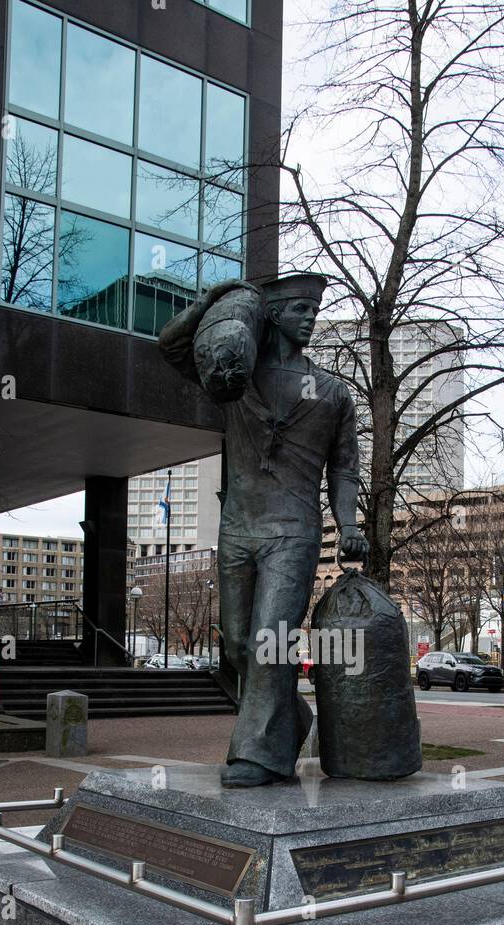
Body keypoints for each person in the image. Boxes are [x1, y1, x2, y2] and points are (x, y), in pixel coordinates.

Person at [158, 272, 369, 787]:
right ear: (272, 314)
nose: (310, 318)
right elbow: (171, 345)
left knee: (267, 642)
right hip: (237, 529)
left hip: (293, 531)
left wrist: (348, 525)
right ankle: (291, 720)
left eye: (314, 310)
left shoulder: (333, 393)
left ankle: (256, 754)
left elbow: (343, 467)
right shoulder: (236, 376)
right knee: (234, 646)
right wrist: (212, 300)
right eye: (300, 309)